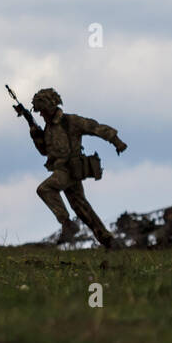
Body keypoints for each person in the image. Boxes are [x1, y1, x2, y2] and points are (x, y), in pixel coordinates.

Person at [27, 87, 127, 248]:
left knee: (45, 189)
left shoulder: (70, 121)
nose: (41, 115)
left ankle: (67, 224)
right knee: (81, 208)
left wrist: (116, 141)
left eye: (43, 110)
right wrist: (34, 132)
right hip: (62, 170)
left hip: (69, 170)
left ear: (50, 107)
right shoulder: (49, 128)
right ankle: (109, 241)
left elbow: (94, 127)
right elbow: (45, 151)